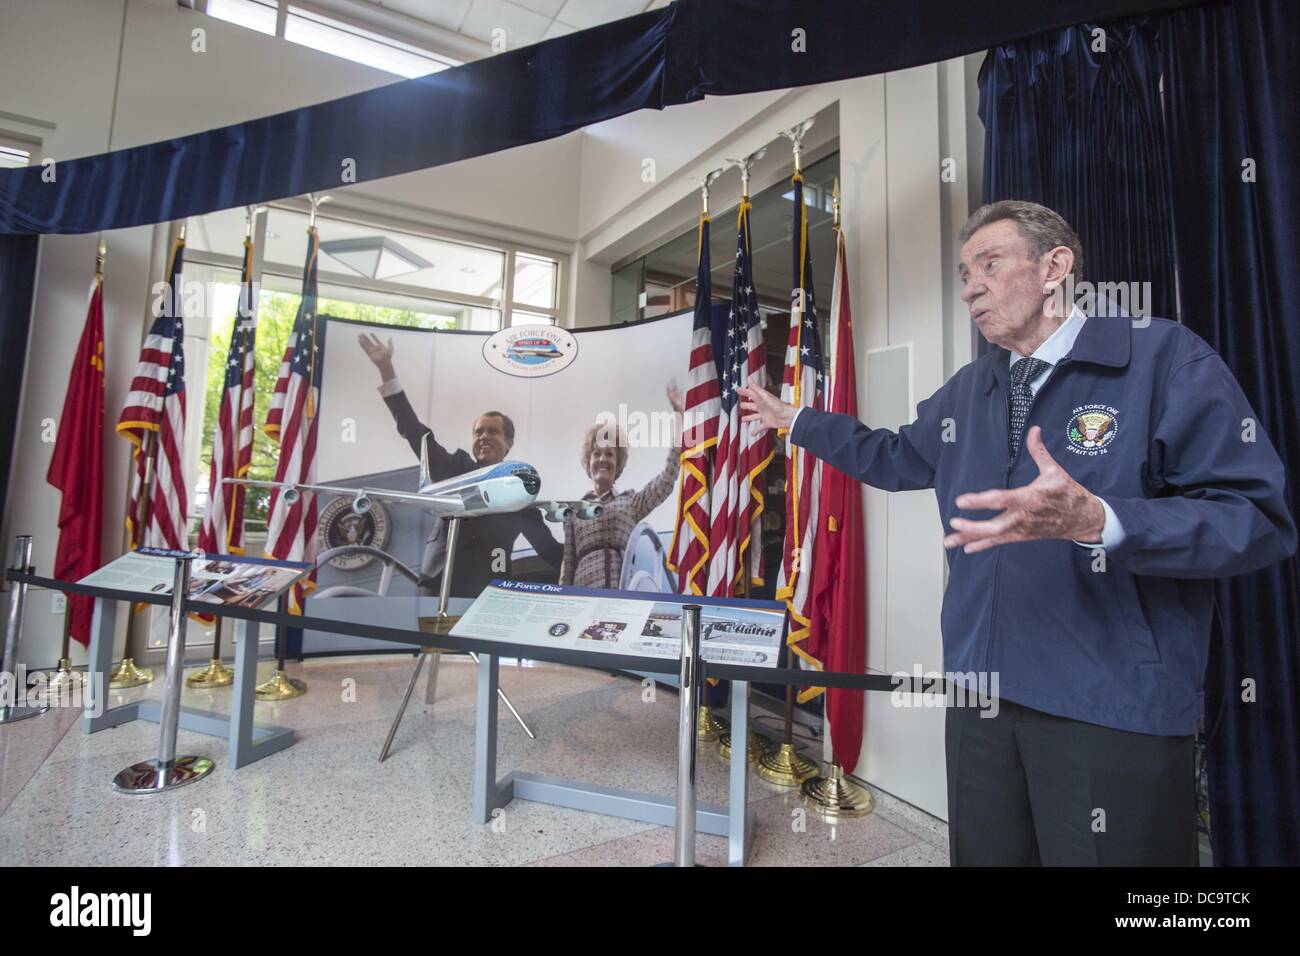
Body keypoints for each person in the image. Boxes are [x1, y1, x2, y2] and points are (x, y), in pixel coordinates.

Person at [740, 200, 1296, 867]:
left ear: (1056, 266)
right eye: (963, 271)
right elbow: (893, 456)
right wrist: (797, 421)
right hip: (980, 694)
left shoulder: (1162, 359)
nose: (970, 283)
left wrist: (1102, 520)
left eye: (990, 263)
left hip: (1110, 704)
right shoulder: (970, 389)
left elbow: (1253, 519)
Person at [357, 331, 563, 597]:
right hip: (438, 587)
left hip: (488, 593)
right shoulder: (455, 467)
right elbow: (412, 429)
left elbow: (550, 550)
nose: (484, 437)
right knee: (431, 641)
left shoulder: (519, 491)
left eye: (493, 432)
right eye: (479, 432)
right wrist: (386, 367)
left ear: (509, 442)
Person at [559, 385, 683, 589]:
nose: (602, 459)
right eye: (596, 453)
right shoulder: (574, 511)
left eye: (609, 454)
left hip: (622, 590)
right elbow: (568, 566)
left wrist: (679, 417)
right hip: (584, 593)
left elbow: (666, 480)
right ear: (588, 462)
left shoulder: (631, 502)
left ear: (618, 464)